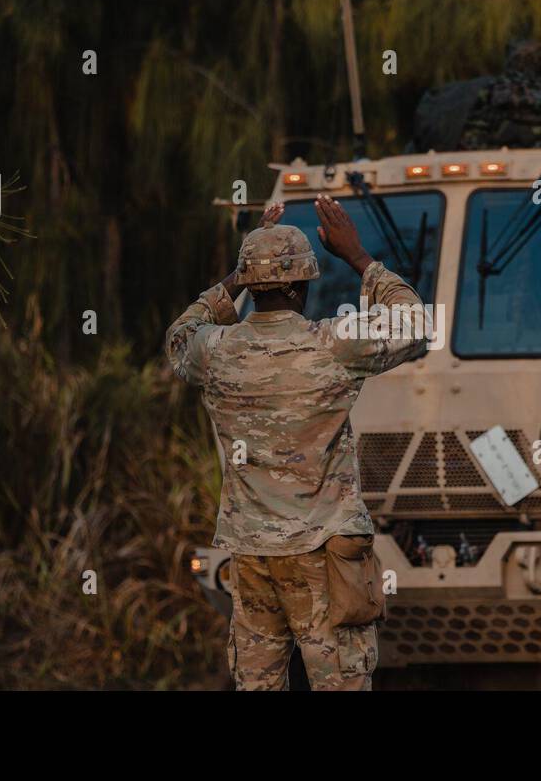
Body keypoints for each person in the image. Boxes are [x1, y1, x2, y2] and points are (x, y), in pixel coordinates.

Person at [165, 195, 427, 690]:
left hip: (252, 551)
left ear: (250, 286)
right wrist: (359, 258)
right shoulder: (333, 344)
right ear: (305, 284)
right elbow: (414, 323)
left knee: (257, 682)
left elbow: (180, 334)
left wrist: (238, 273)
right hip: (324, 551)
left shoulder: (215, 352)